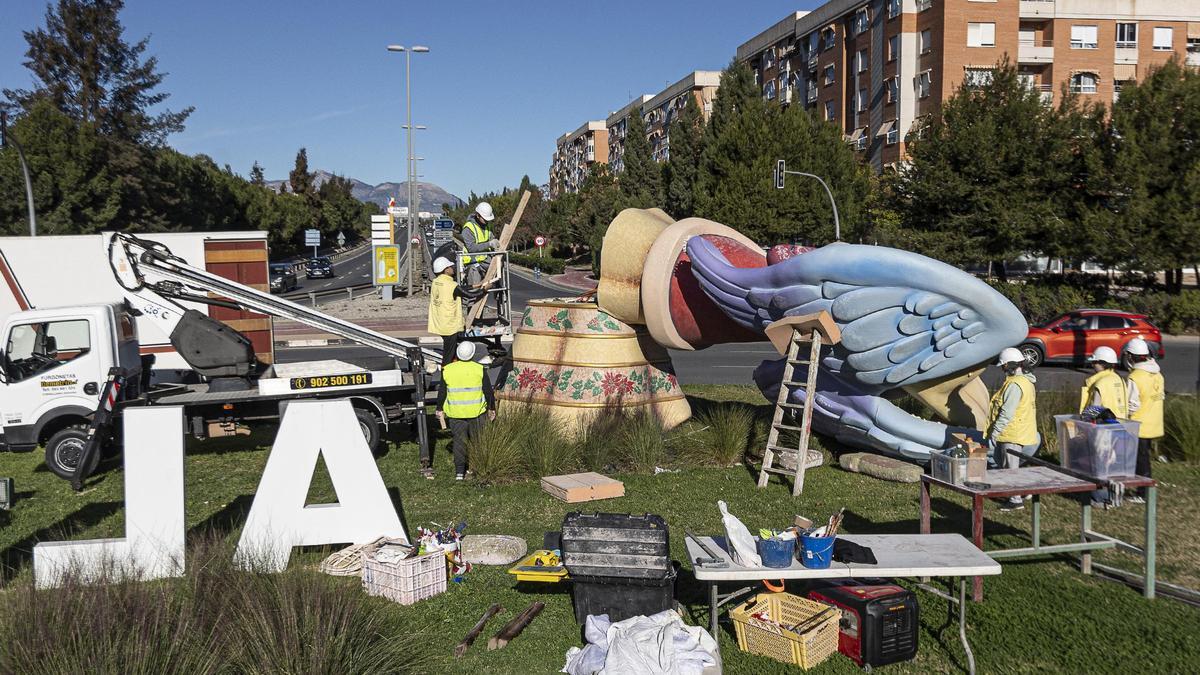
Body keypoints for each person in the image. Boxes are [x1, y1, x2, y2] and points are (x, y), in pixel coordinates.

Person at [985, 347, 1041, 511]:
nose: (1002, 369)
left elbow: (1007, 412)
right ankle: (1023, 491)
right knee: (1008, 464)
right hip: (1019, 430)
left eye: (1003, 366)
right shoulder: (1025, 381)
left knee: (1010, 467)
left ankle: (1015, 500)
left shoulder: (1015, 385)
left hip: (1012, 431)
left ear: (1009, 365)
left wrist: (995, 432)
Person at [435, 341, 496, 481]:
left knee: (459, 442)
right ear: (473, 353)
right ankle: (477, 469)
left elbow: (442, 392)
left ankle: (459, 473)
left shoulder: (448, 370)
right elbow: (488, 392)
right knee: (478, 442)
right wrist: (492, 409)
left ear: (457, 353)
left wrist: (439, 409)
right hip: (477, 413)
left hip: (456, 414)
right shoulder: (479, 369)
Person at [1125, 338, 1164, 504]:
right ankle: (1143, 486)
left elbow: (1132, 404)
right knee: (1144, 456)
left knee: (1141, 459)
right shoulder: (1157, 373)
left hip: (1139, 424)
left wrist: (1125, 417)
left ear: (1131, 356)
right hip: (1154, 421)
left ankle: (1143, 492)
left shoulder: (1135, 377)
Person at [427, 256, 483, 362]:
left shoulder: (436, 282)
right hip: (449, 326)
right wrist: (484, 289)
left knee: (451, 351)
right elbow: (469, 295)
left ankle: (453, 367)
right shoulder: (451, 285)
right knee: (449, 354)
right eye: (450, 266)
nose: (452, 268)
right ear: (445, 269)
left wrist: (475, 285)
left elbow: (459, 289)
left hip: (440, 323)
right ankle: (445, 375)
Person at [1079, 346, 1128, 418]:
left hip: (1104, 425)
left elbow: (1093, 410)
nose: (1092, 365)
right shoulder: (1120, 379)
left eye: (1094, 362)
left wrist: (1084, 418)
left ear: (1103, 363)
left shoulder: (1100, 383)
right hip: (1121, 424)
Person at [460, 201, 498, 287]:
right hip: (472, 262)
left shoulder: (487, 226)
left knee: (498, 266)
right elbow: (471, 248)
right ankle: (472, 299)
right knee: (475, 288)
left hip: (484, 260)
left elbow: (491, 239)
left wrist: (496, 245)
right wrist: (489, 244)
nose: (487, 221)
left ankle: (499, 292)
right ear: (478, 215)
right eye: (485, 219)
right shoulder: (468, 228)